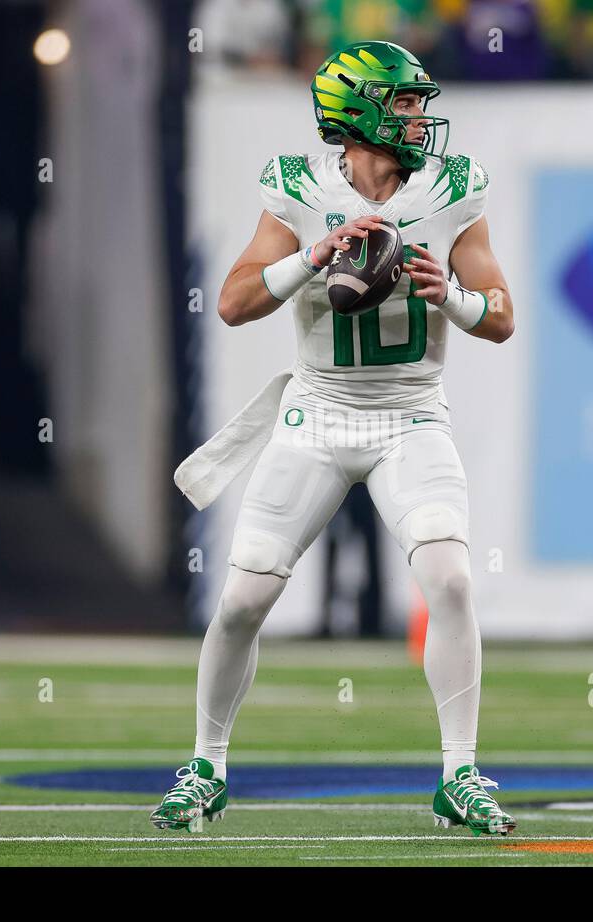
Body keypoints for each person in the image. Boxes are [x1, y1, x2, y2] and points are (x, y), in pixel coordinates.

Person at [159, 40, 517, 834]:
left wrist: (450, 293)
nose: (421, 117)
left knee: (452, 580)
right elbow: (234, 302)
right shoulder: (298, 189)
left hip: (412, 412)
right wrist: (309, 261)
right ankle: (206, 766)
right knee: (246, 594)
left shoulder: (452, 189)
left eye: (421, 102)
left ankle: (459, 773)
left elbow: (502, 317)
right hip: (316, 412)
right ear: (358, 113)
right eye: (404, 103)